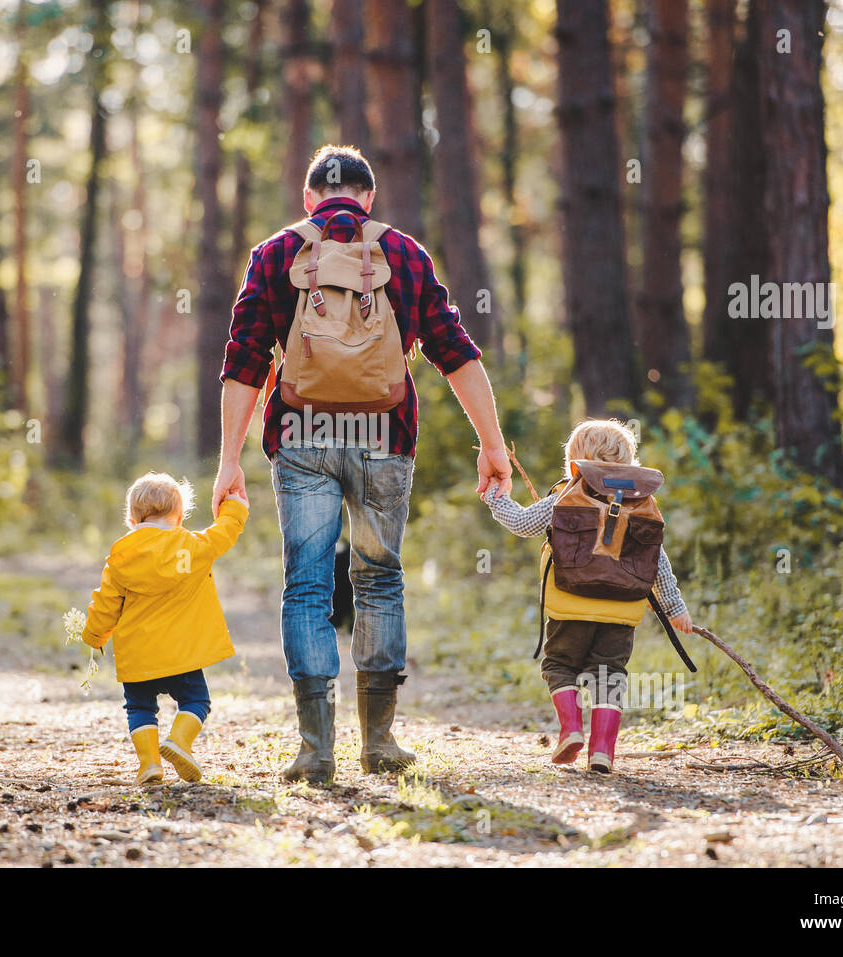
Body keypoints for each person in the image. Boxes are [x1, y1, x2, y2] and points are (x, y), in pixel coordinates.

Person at [213, 144, 512, 783]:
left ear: (308, 198)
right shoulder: (403, 253)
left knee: (308, 584)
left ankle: (315, 749)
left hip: (301, 435)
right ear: (369, 199)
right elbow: (454, 351)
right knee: (378, 579)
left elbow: (245, 361)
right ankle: (380, 743)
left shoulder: (275, 254)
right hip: (385, 438)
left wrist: (227, 462)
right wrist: (492, 444)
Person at [483, 419, 692, 773]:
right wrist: (675, 608)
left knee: (559, 665)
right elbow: (656, 560)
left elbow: (521, 525)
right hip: (621, 612)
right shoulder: (641, 503)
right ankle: (602, 752)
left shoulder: (566, 496)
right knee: (609, 674)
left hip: (570, 605)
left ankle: (571, 730)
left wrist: (495, 498)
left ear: (574, 462)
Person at [80, 472, 249, 785]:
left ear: (131, 518)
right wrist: (235, 506)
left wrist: (94, 635)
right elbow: (223, 533)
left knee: (140, 707)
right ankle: (179, 742)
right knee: (196, 701)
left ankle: (149, 765)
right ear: (179, 517)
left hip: (138, 655)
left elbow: (105, 603)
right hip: (181, 655)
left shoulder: (121, 555)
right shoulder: (191, 547)